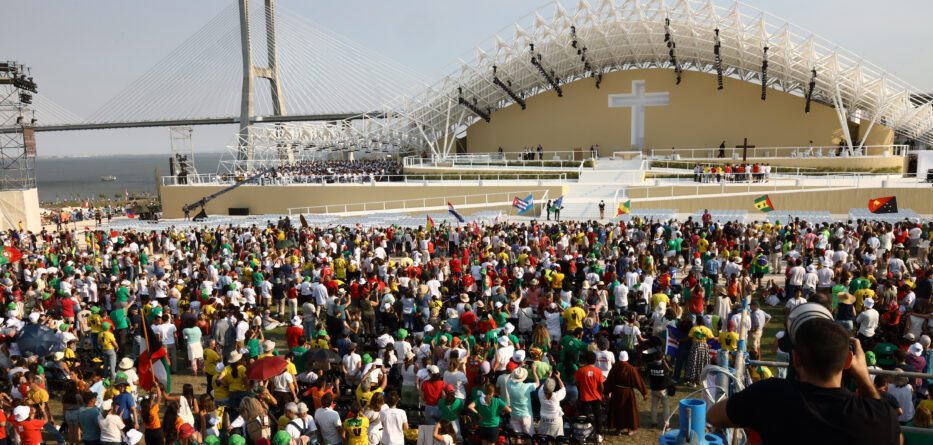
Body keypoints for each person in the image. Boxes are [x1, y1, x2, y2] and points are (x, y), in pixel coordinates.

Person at [707, 317, 901, 444]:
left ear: (796, 359)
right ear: (848, 361)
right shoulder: (879, 416)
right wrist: (863, 377)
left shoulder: (768, 395)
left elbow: (713, 415)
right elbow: (895, 438)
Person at [604, 351, 647, 437]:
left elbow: (610, 381)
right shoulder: (631, 369)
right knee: (629, 411)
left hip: (617, 392)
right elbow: (638, 381)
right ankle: (630, 430)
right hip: (628, 394)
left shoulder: (615, 368)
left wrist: (606, 392)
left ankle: (618, 430)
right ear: (627, 359)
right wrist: (644, 393)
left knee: (618, 410)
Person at [574, 351, 606, 441]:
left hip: (584, 397)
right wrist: (600, 393)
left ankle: (583, 436)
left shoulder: (581, 370)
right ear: (595, 360)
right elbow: (601, 386)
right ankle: (598, 434)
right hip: (596, 397)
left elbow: (576, 383)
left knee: (584, 416)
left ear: (585, 360)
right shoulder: (598, 371)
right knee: (597, 415)